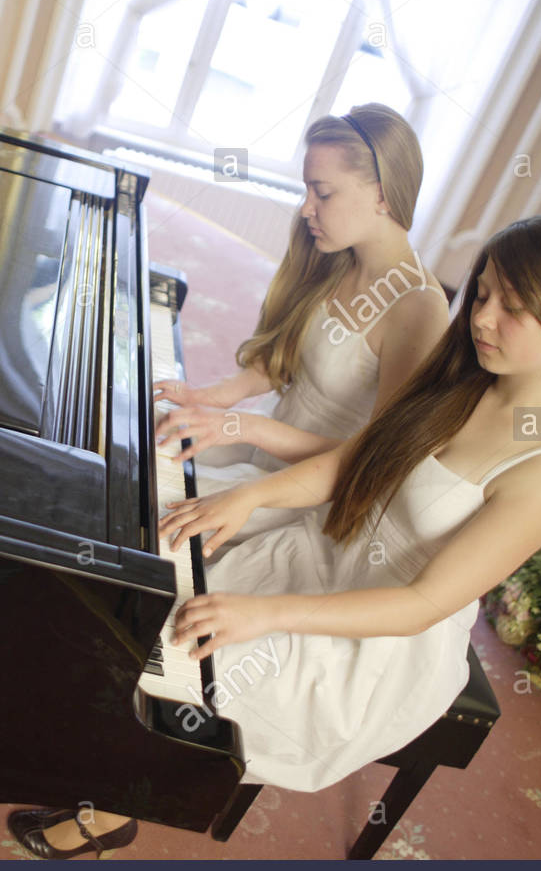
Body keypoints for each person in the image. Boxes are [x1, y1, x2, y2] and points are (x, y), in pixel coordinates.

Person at [10, 213, 541, 858]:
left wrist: (265, 613)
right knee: (137, 567)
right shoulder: (465, 378)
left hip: (373, 635)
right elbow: (357, 462)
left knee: (180, 647)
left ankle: (113, 807)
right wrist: (251, 496)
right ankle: (90, 753)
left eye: (514, 307)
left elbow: (422, 605)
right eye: (483, 293)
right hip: (322, 545)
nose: (482, 318)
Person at [154, 102, 450, 550]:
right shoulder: (336, 255)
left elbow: (374, 459)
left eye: (323, 193)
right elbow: (286, 359)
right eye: (307, 191)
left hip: (308, 491)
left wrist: (241, 426)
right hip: (265, 441)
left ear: (382, 195)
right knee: (144, 434)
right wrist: (214, 397)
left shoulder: (419, 310)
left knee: (158, 511)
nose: (307, 208)